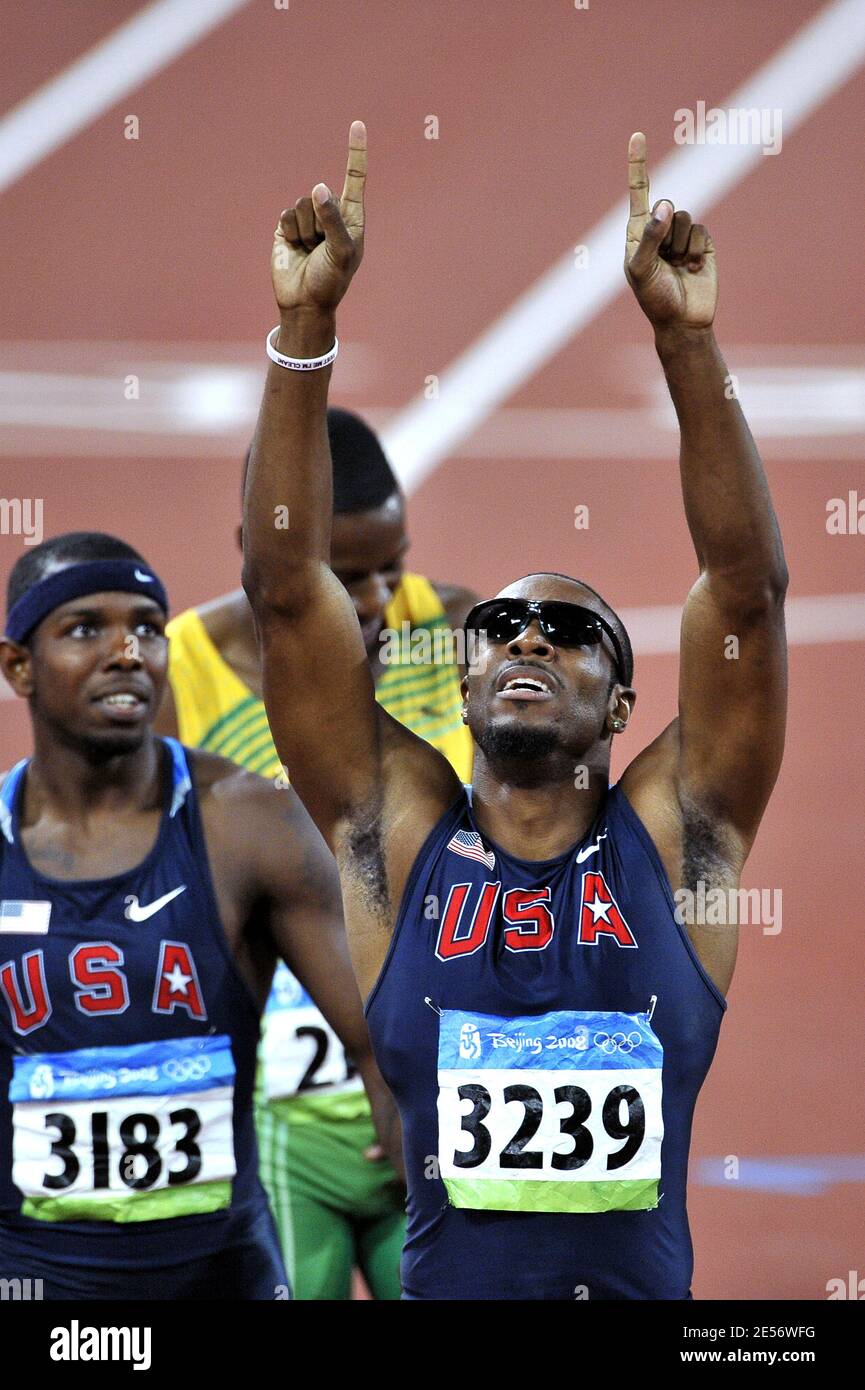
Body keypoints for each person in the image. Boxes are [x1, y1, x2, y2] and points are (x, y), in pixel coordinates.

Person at [241, 124, 788, 1300]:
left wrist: (686, 346)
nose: (531, 636)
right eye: (500, 628)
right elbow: (288, 592)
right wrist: (304, 331)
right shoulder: (393, 842)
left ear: (624, 706)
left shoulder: (679, 835)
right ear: (460, 681)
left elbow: (745, 593)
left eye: (574, 630)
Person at [0, 531, 399, 1300]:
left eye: (148, 627)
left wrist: (427, 1162)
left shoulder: (249, 823)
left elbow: (382, 1043)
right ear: (18, 665)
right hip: (37, 1281)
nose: (127, 652)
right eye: (86, 629)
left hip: (221, 1278)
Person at [155, 412, 475, 1299]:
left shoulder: (456, 636)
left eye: (391, 567)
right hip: (276, 1127)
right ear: (259, 555)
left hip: (446, 1103)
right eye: (344, 574)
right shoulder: (181, 672)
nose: (374, 599)